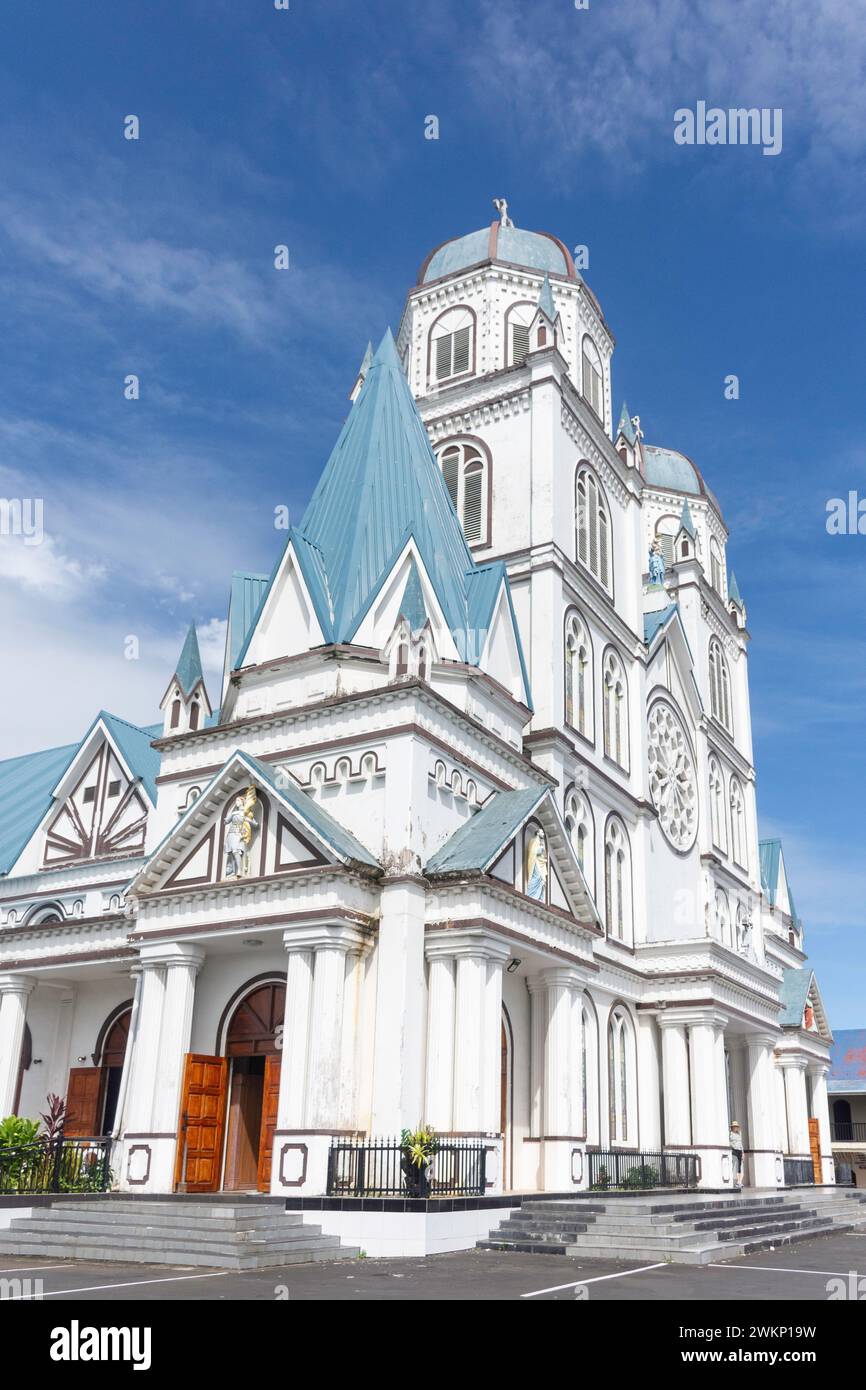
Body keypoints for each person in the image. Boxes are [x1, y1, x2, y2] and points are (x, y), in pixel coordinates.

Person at [730, 1120, 744, 1189]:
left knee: (739, 1167)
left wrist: (743, 1152)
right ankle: (732, 1181)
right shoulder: (730, 1134)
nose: (735, 1128)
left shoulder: (739, 1134)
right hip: (734, 1150)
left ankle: (739, 1182)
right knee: (733, 1166)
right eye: (734, 1126)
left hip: (739, 1151)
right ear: (732, 1127)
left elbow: (741, 1144)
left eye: (736, 1126)